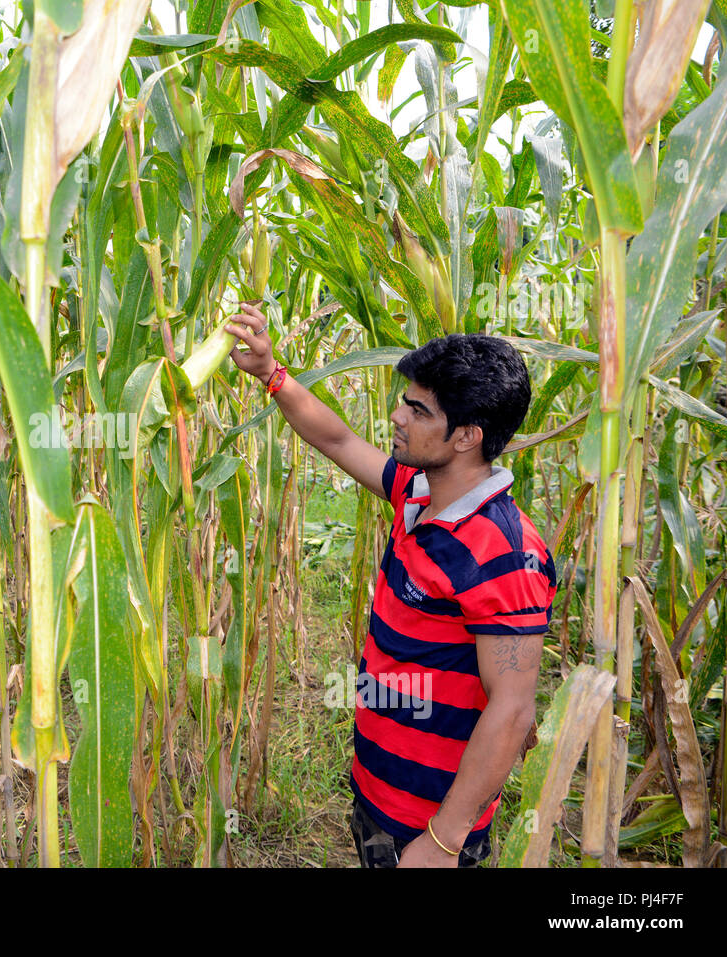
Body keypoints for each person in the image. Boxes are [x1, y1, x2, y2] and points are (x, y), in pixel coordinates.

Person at [224, 304, 557, 868]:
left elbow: (513, 709)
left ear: (467, 437)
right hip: (380, 793)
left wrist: (445, 840)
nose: (398, 417)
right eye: (406, 400)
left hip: (429, 824)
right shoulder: (418, 493)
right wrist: (271, 375)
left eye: (418, 410)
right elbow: (337, 440)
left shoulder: (503, 553)